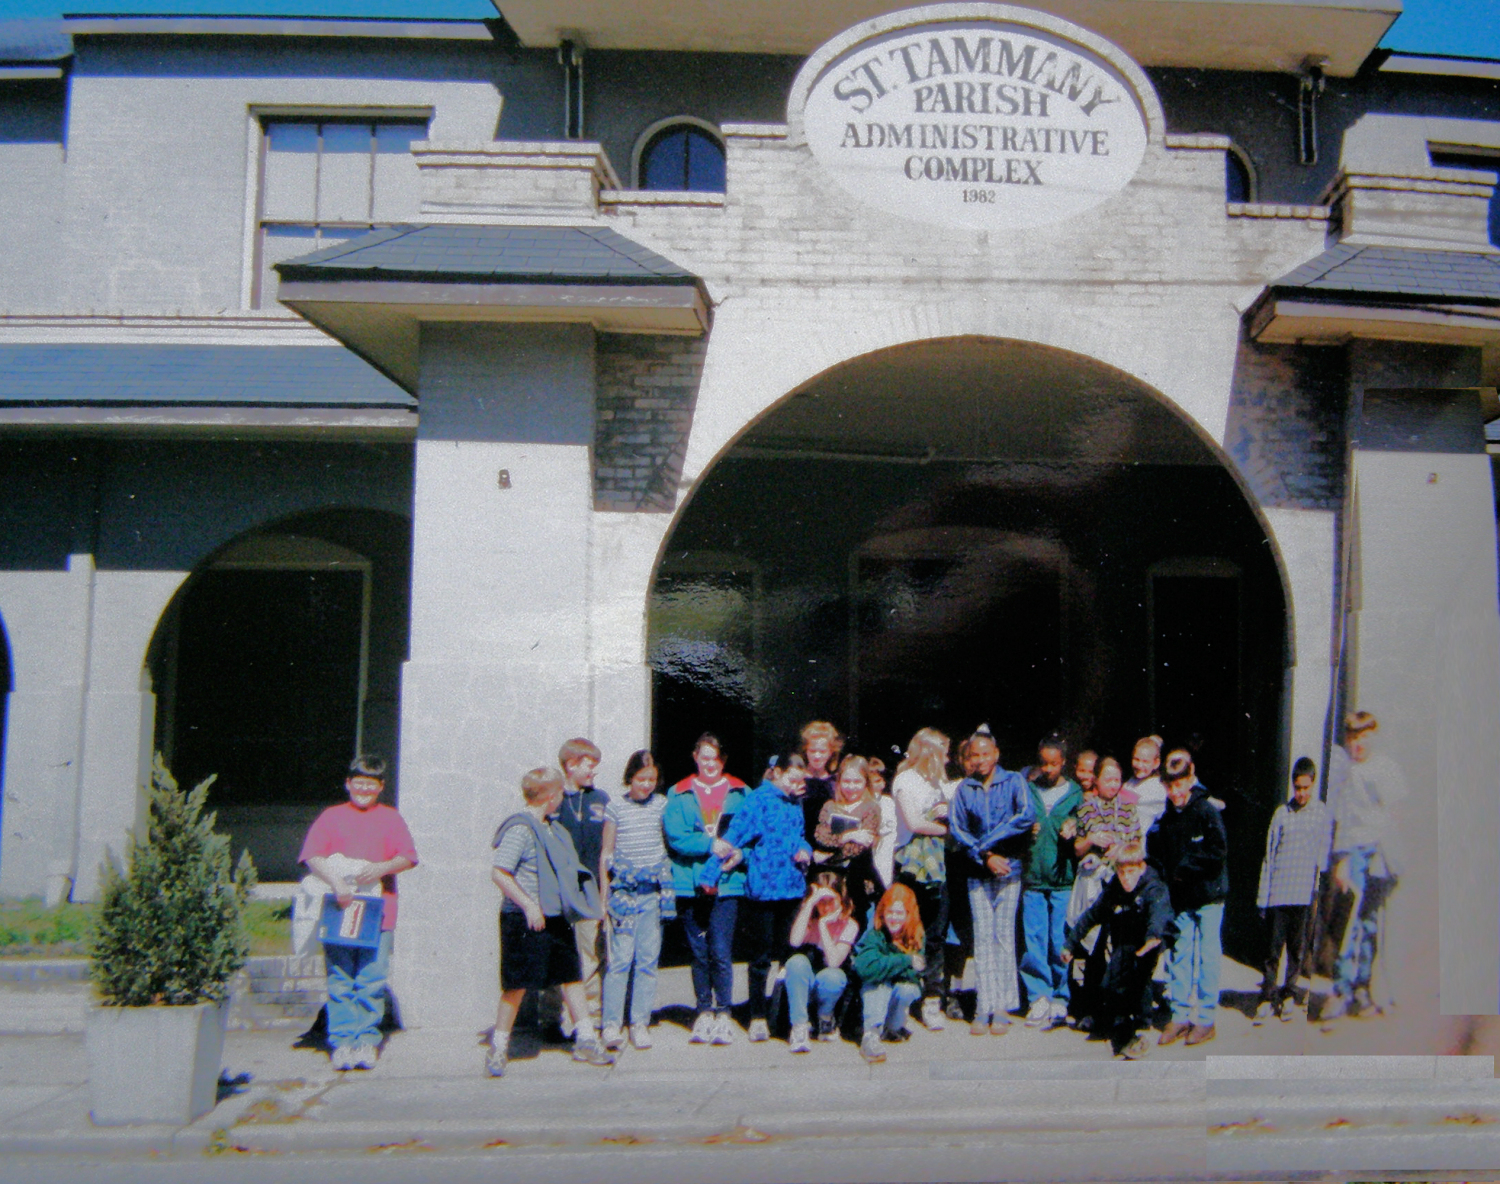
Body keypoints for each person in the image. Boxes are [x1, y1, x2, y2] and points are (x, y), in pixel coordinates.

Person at [488, 767, 614, 1077]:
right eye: (559, 793)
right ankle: (499, 1047)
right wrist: (529, 905)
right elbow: (500, 873)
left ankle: (586, 1039)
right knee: (516, 985)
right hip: (524, 918)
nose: (561, 797)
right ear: (549, 796)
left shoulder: (552, 828)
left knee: (571, 977)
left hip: (556, 916)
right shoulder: (521, 829)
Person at [298, 755, 418, 1071]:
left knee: (371, 978)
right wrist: (336, 882)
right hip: (339, 909)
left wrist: (382, 867)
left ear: (381, 787)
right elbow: (312, 856)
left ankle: (366, 1040)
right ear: (348, 784)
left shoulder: (391, 818)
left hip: (378, 912)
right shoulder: (331, 816)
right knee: (340, 978)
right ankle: (342, 1043)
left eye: (371, 784)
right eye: (358, 783)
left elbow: (408, 857)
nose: (364, 789)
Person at [708, 753, 814, 1042]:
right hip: (763, 889)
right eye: (791, 779)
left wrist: (805, 850)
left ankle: (785, 1015)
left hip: (792, 887)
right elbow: (737, 836)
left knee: (789, 955)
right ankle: (757, 1015)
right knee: (761, 956)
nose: (795, 785)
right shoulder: (757, 799)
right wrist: (714, 869)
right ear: (776, 773)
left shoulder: (795, 802)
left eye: (800, 781)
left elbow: (800, 835)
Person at [662, 733, 749, 1045]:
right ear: (695, 758)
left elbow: (753, 835)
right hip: (690, 882)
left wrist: (741, 854)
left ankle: (724, 1012)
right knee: (699, 952)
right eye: (704, 758)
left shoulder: (741, 791)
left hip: (727, 882)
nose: (710, 764)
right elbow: (676, 837)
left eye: (716, 758)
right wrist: (710, 843)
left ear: (723, 760)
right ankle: (703, 1012)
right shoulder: (678, 792)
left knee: (721, 950)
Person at [949, 725, 1036, 1035]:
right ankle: (983, 1006)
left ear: (996, 754)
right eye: (975, 755)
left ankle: (1002, 1006)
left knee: (1003, 936)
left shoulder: (1014, 781)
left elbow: (1025, 815)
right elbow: (958, 829)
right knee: (983, 937)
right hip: (979, 871)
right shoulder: (965, 789)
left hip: (1009, 869)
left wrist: (990, 843)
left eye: (986, 754)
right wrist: (985, 854)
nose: (980, 760)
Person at [1323, 712, 1407, 1021]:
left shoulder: (1386, 768)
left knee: (1371, 922)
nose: (1358, 744)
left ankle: (1364, 987)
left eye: (1363, 737)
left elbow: (1396, 811)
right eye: (1353, 738)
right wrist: (1342, 860)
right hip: (1354, 850)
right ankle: (1340, 990)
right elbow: (1340, 819)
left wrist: (1392, 852)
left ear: (1373, 736)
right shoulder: (1345, 772)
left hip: (1380, 851)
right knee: (1349, 923)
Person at [1063, 841, 1174, 1059]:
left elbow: (1159, 913)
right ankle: (1120, 1024)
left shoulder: (1154, 886)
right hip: (1127, 936)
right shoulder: (1115, 886)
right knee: (1114, 981)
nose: (1126, 879)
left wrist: (1153, 937)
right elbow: (1092, 915)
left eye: (1131, 872)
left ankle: (1140, 1027)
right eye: (1122, 872)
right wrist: (1070, 943)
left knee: (1139, 980)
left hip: (1152, 938)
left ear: (1141, 867)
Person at [1147, 749, 1228, 1047]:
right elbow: (1158, 855)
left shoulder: (1206, 811)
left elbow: (1217, 852)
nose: (1175, 792)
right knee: (1179, 956)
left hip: (1208, 897)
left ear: (1191, 778)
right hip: (1181, 900)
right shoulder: (1167, 818)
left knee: (1207, 957)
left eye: (1179, 784)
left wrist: (1184, 867)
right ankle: (1179, 1015)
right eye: (1169, 786)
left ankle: (1205, 1019)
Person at [599, 750, 675, 1051]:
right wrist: (604, 897)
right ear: (630, 777)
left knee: (647, 960)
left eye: (651, 779)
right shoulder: (615, 807)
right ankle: (611, 1024)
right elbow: (606, 853)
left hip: (653, 893)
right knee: (620, 960)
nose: (646, 785)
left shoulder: (662, 805)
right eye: (641, 779)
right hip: (625, 894)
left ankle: (639, 1022)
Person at [1253, 756, 1330, 1024]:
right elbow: (1269, 856)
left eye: (1306, 788)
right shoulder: (1281, 814)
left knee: (1297, 950)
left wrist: (1318, 892)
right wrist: (1263, 897)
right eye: (1297, 788)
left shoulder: (1320, 814)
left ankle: (1288, 994)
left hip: (1303, 895)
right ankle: (1266, 997)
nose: (1301, 793)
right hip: (1278, 894)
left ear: (1313, 784)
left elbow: (1323, 856)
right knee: (1272, 951)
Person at [1067, 756, 1141, 1027]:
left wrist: (1120, 848)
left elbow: (1137, 844)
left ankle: (1118, 1011)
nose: (1113, 784)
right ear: (1096, 780)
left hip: (1120, 883)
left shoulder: (1129, 808)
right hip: (1094, 885)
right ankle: (1090, 1010)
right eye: (1107, 779)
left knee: (1118, 945)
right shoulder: (1085, 808)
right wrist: (1091, 839)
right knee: (1093, 947)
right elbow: (1077, 848)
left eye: (1117, 779)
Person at [891, 727, 954, 1031]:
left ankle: (931, 999)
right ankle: (904, 997)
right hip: (912, 866)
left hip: (938, 865)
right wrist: (947, 829)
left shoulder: (940, 782)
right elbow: (914, 822)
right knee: (908, 932)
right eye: (944, 753)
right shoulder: (905, 780)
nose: (948, 759)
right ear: (930, 753)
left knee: (936, 935)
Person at [1020, 736, 1084, 1029]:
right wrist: (1027, 830)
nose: (1048, 769)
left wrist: (1075, 826)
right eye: (1043, 763)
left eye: (1054, 764)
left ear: (1064, 763)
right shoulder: (1029, 790)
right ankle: (1038, 996)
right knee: (1034, 939)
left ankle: (1061, 996)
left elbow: (1086, 822)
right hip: (1034, 877)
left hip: (1062, 879)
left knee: (1060, 939)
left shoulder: (1076, 794)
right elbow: (1017, 822)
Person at [553, 737, 610, 1040]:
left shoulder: (600, 799)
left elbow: (607, 847)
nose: (593, 772)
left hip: (590, 891)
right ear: (571, 764)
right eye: (589, 765)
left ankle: (589, 1018)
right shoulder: (553, 799)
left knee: (589, 954)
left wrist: (604, 892)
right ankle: (552, 1018)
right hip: (557, 891)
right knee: (557, 952)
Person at [782, 870, 860, 1052]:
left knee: (833, 976)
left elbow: (833, 962)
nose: (826, 908)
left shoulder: (850, 925)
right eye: (821, 902)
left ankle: (825, 1018)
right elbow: (795, 941)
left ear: (841, 899)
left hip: (828, 986)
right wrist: (810, 903)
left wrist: (824, 925)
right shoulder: (809, 918)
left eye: (831, 901)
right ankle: (799, 1027)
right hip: (805, 983)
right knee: (796, 962)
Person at [852, 882, 927, 1063]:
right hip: (875, 998)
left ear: (909, 914)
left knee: (908, 989)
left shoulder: (916, 937)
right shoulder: (875, 935)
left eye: (900, 913)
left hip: (897, 998)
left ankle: (893, 1027)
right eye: (890, 912)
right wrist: (905, 960)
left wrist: (885, 964)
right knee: (879, 983)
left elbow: (915, 975)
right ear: (882, 913)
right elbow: (866, 969)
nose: (894, 918)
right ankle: (871, 1035)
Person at [813, 754, 882, 919]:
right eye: (846, 781)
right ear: (839, 782)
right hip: (831, 879)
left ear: (866, 782)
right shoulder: (830, 806)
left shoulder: (871, 808)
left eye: (857, 782)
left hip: (856, 879)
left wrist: (827, 856)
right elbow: (821, 836)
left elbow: (858, 848)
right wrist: (849, 836)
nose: (851, 787)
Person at [798, 720, 844, 843]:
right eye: (812, 751)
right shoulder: (797, 780)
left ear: (831, 752)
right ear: (805, 750)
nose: (817, 756)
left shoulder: (834, 783)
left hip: (827, 844)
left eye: (822, 751)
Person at [1125, 735, 1167, 836]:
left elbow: (1128, 802)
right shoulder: (1131, 781)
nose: (1139, 765)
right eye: (1136, 759)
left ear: (1156, 763)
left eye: (1145, 761)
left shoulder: (1158, 787)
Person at [868, 758, 898, 892]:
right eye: (873, 782)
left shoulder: (888, 802)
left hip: (886, 851)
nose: (879, 785)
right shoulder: (863, 803)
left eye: (879, 780)